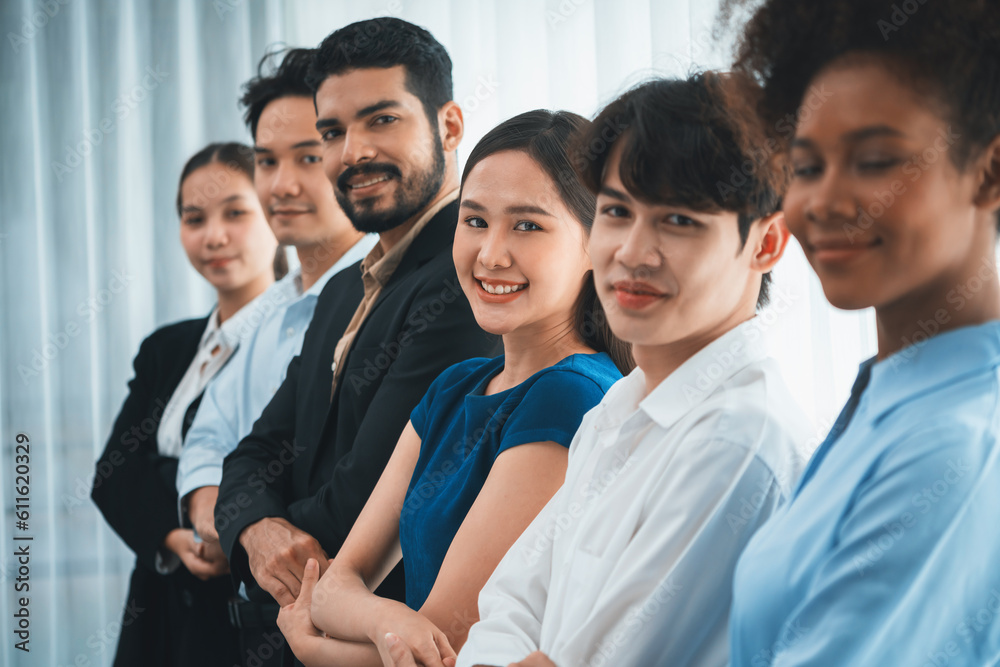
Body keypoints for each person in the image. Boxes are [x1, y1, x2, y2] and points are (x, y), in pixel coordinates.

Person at [455, 73, 810, 667]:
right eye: (617, 211)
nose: (631, 252)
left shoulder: (737, 438)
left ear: (766, 243)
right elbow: (508, 605)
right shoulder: (620, 408)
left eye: (679, 220)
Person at [275, 110, 634, 667]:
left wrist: (316, 649)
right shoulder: (456, 385)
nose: (490, 254)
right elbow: (334, 585)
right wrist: (387, 618)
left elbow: (447, 639)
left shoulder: (571, 398)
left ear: (595, 244)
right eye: (474, 221)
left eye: (528, 225)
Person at [213, 18, 501, 666]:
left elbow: (360, 501)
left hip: (395, 642)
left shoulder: (472, 276)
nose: (353, 152)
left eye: (380, 121)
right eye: (334, 132)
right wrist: (257, 529)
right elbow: (252, 452)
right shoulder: (345, 287)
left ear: (449, 126)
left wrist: (263, 520)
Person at [720, 1, 1000, 664]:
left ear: (988, 174)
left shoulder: (954, 441)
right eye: (807, 167)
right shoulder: (894, 393)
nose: (823, 201)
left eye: (875, 161)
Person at [176, 46, 376, 583]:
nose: (280, 185)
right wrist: (216, 513)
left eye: (309, 156)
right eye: (266, 161)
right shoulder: (267, 310)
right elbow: (208, 438)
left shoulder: (384, 296)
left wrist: (242, 515)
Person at [91, 142, 280, 666]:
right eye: (194, 218)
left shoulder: (306, 339)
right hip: (158, 602)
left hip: (249, 618)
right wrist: (175, 536)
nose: (213, 236)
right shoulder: (168, 348)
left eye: (236, 213)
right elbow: (113, 473)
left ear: (274, 211)